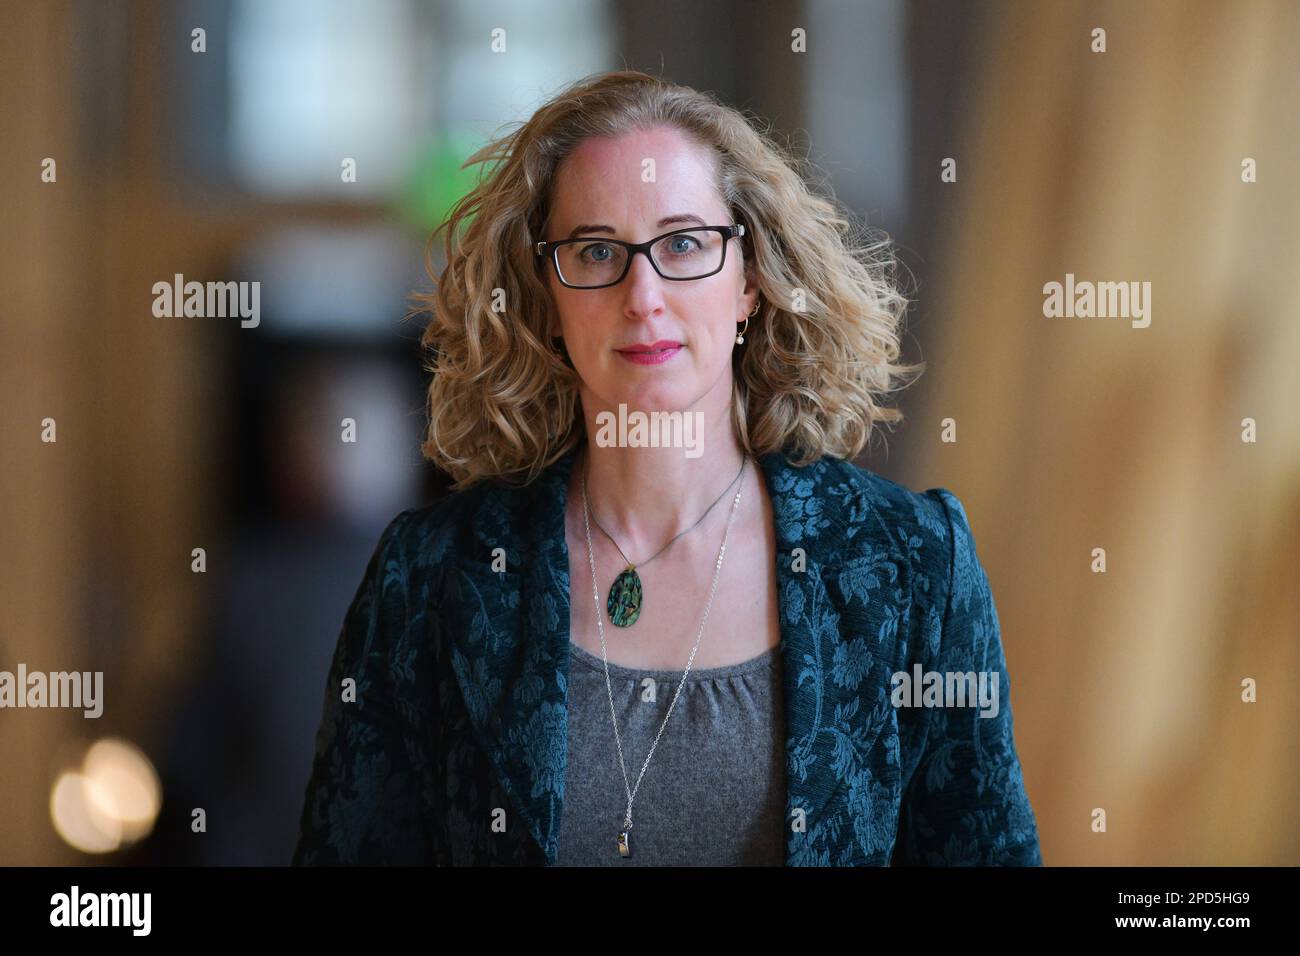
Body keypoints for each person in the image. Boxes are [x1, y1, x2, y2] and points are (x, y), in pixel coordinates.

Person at [292, 69, 1043, 866]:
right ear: (547, 297)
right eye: (596, 251)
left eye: (684, 243)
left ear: (750, 280)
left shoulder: (912, 567)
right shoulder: (430, 581)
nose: (642, 295)